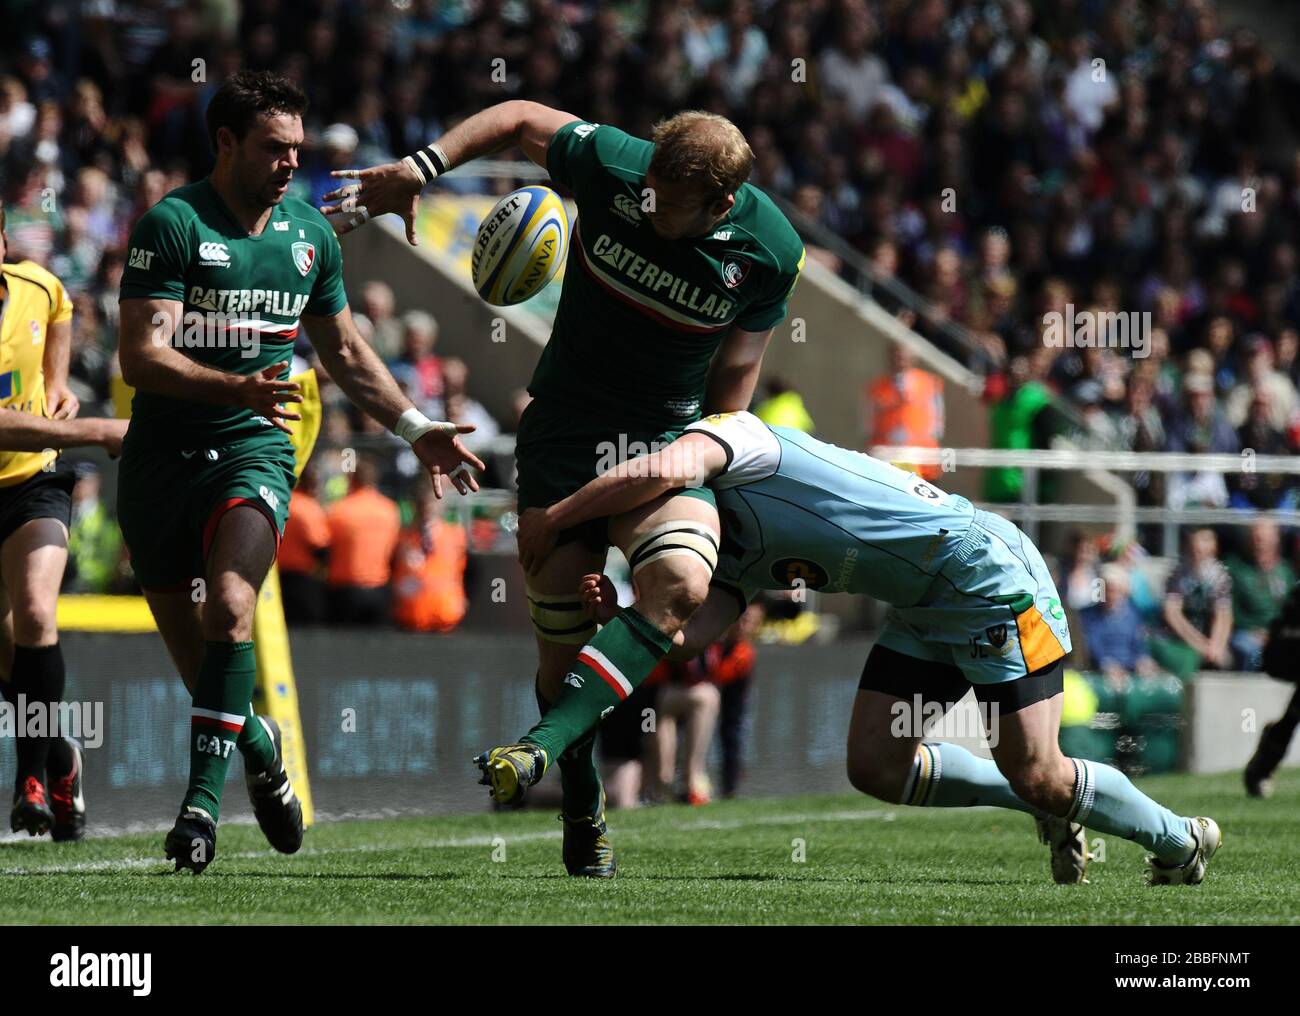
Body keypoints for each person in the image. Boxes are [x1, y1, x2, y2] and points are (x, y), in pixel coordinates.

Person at [326, 101, 804, 877]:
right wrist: (422, 169)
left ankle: (538, 751)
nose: (647, 207)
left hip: (661, 442)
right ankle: (583, 807)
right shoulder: (612, 164)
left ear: (720, 206)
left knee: (681, 579)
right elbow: (516, 117)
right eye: (645, 189)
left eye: (669, 206)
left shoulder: (770, 251)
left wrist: (712, 453)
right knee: (558, 659)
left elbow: (738, 376)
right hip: (563, 440)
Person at [511, 411, 1221, 887]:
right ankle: (1040, 799)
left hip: (984, 576)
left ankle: (1179, 841)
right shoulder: (720, 551)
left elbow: (652, 471)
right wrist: (631, 615)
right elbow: (688, 634)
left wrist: (558, 518)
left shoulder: (733, 440)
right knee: (877, 766)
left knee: (1040, 771)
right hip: (923, 604)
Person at [116, 71, 483, 873]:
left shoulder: (309, 236)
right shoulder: (172, 225)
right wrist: (231, 383)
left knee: (233, 611)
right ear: (225, 144)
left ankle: (199, 817)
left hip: (256, 448)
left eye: (297, 149)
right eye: (273, 148)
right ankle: (258, 740)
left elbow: (347, 352)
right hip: (160, 461)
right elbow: (141, 356)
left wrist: (417, 427)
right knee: (205, 671)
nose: (290, 163)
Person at [0, 206, 128, 840]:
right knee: (8, 659)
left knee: (36, 613)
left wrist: (57, 382)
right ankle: (62, 758)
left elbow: (60, 312)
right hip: (39, 452)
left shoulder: (39, 284)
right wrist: (91, 428)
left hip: (34, 484)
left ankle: (29, 786)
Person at [325, 457, 401, 625]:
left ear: (352, 479)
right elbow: (394, 548)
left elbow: (323, 546)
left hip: (344, 592)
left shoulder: (339, 510)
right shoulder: (390, 510)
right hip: (379, 589)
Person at [1152, 528, 1234, 679]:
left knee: (1226, 660)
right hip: (1178, 640)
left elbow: (1223, 615)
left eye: (1205, 541)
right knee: (1187, 659)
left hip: (1208, 641)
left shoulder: (1220, 575)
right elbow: (1173, 615)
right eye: (1195, 542)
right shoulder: (1177, 574)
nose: (1198, 547)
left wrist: (1217, 645)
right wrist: (1200, 644)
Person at [391, 476, 468, 633]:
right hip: (410, 619)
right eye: (422, 504)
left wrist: (462, 601)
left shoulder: (455, 535)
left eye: (431, 503)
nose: (426, 509)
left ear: (440, 505)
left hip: (446, 618)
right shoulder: (402, 539)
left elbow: (471, 572)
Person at [1225, 521, 1295, 671]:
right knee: (1253, 652)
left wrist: (1276, 633)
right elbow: (1230, 610)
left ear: (1275, 540)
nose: (1261, 544)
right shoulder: (1236, 568)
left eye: (1265, 539)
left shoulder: (1285, 571)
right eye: (1256, 539)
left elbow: (1291, 609)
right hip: (1245, 633)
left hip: (1276, 634)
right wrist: (1253, 631)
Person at [277, 462, 330, 625]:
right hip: (301, 580)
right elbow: (320, 548)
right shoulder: (307, 508)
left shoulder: (283, 501)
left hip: (277, 576)